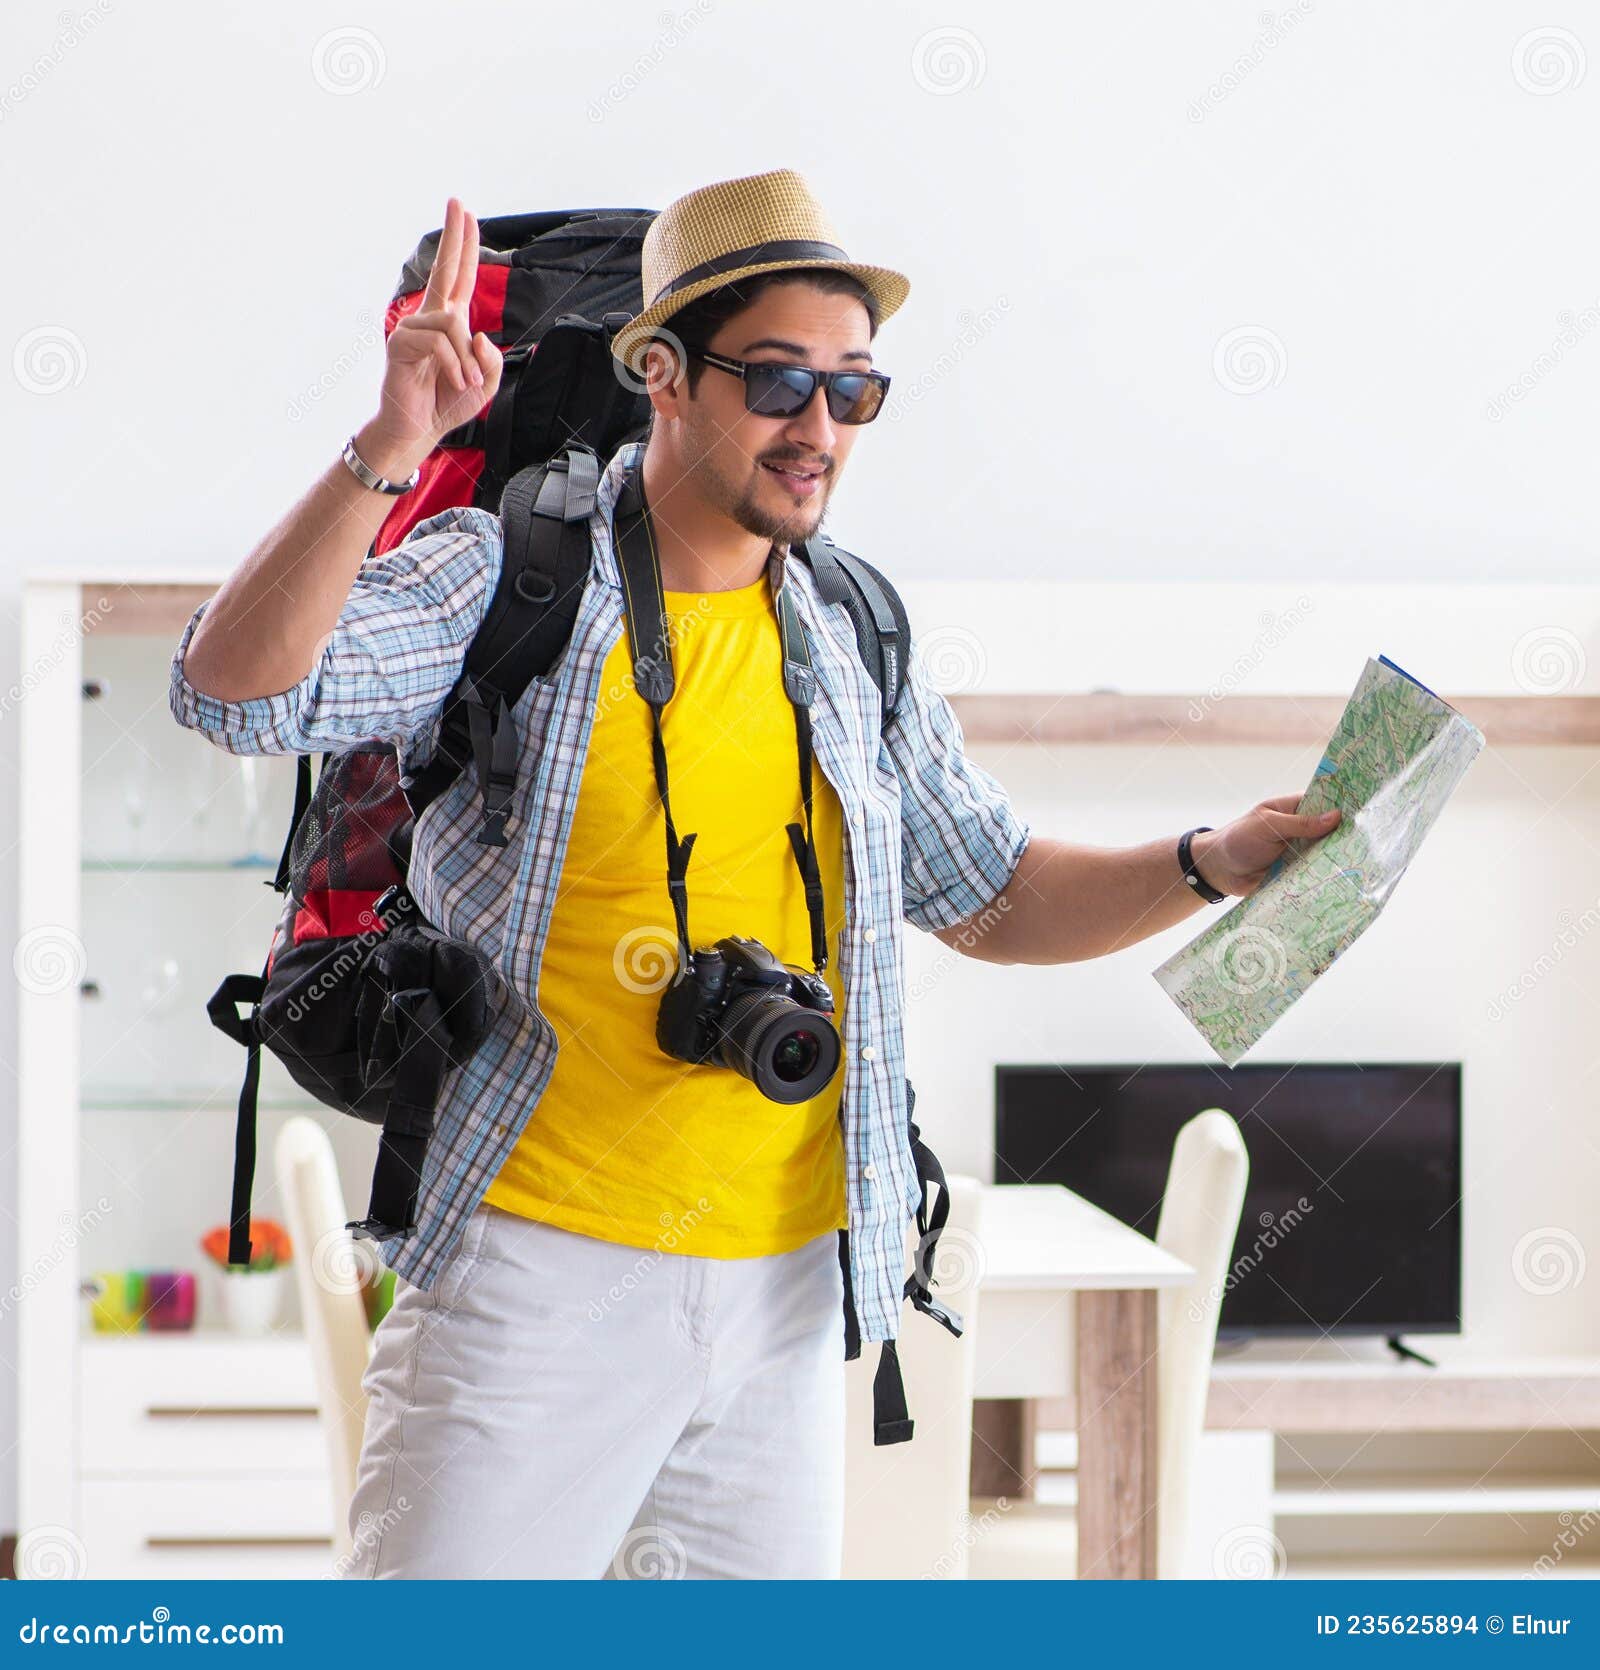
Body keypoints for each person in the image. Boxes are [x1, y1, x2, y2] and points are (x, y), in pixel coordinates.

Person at [169, 169, 1339, 1579]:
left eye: (854, 391)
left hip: (791, 1290)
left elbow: (992, 891)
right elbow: (233, 693)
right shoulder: (510, 574)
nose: (819, 428)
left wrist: (1211, 861)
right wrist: (388, 447)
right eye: (781, 381)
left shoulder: (852, 626)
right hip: (533, 1281)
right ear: (661, 371)